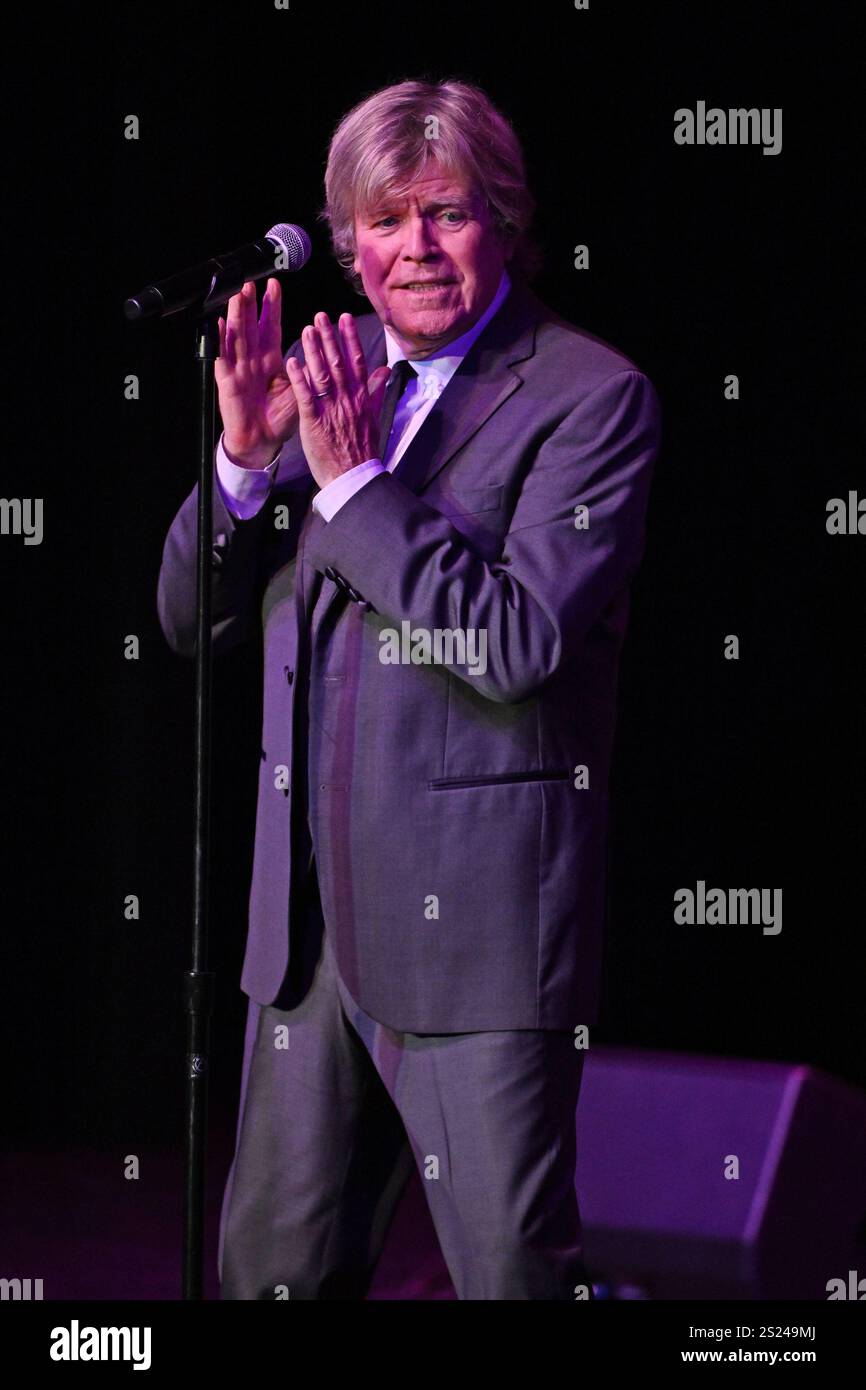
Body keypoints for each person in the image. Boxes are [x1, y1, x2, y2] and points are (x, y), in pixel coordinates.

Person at [157, 77, 661, 1300]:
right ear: (347, 243)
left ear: (501, 219)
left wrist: (353, 483)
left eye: (445, 211)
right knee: (267, 1275)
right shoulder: (322, 387)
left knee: (507, 1280)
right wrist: (239, 461)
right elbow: (188, 622)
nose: (415, 250)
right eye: (384, 222)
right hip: (304, 941)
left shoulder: (588, 398)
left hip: (474, 938)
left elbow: (516, 640)